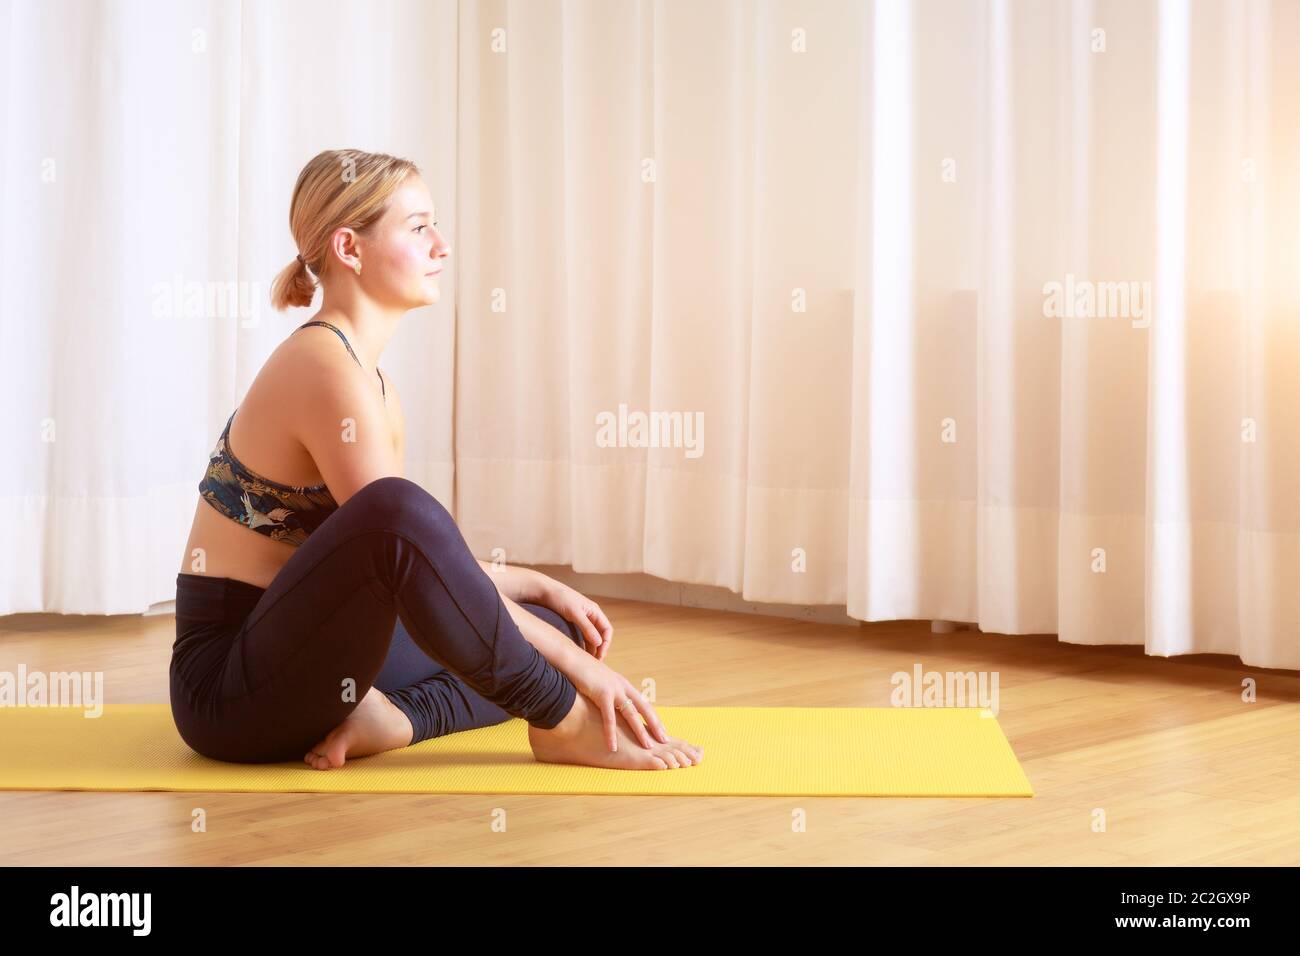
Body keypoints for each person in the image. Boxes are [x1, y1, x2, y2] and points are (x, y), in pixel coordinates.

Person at [171, 148, 703, 772]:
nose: (442, 245)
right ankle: (560, 719)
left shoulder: (375, 383)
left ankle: (398, 718)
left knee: (554, 630)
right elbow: (402, 532)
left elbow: (421, 563)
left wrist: (540, 586)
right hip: (232, 692)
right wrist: (580, 679)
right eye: (419, 226)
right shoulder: (321, 366)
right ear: (350, 248)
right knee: (407, 517)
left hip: (306, 653)